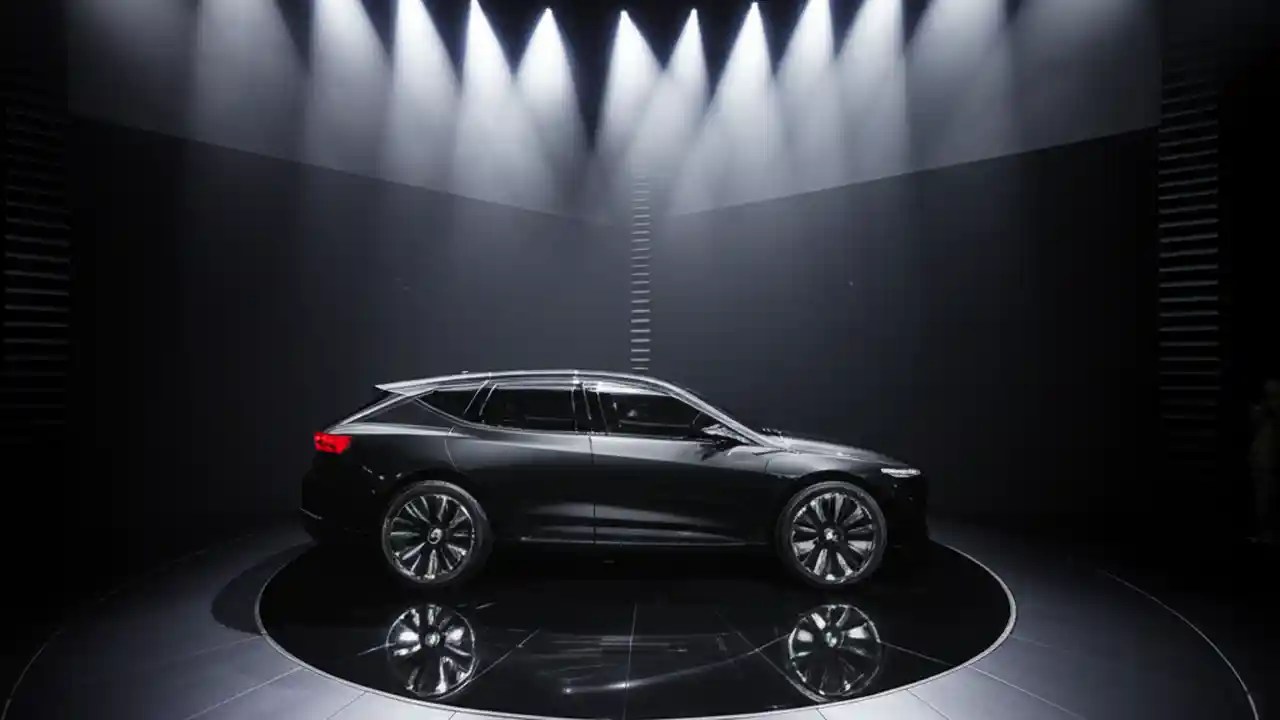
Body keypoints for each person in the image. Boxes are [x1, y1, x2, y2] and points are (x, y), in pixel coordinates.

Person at [1249, 378, 1280, 544]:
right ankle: (1264, 531)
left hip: (1267, 461)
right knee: (1263, 496)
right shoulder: (1260, 415)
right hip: (1263, 461)